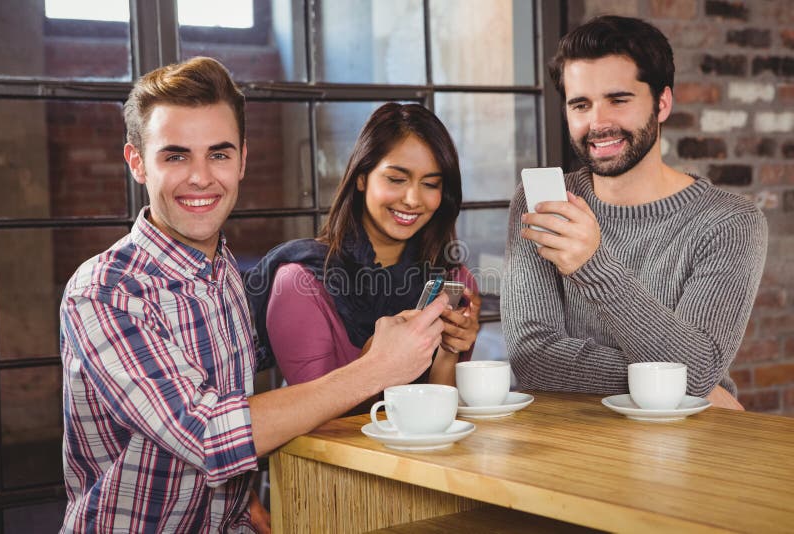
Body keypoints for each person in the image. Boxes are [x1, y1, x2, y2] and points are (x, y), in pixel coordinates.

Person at [60, 57, 449, 533]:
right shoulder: (106, 291)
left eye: (218, 154)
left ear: (242, 159)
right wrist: (376, 368)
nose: (201, 177)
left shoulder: (224, 271)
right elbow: (207, 435)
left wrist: (240, 501)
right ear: (137, 163)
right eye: (176, 155)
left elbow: (232, 430)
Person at [502, 16, 767, 408]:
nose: (598, 122)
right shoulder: (541, 204)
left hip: (683, 448)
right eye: (581, 104)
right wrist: (683, 384)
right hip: (567, 443)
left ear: (662, 103)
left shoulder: (730, 223)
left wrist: (592, 265)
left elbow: (694, 372)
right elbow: (533, 361)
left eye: (618, 100)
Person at [244, 103, 481, 389]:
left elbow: (442, 411)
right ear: (361, 177)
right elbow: (313, 418)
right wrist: (378, 362)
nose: (412, 199)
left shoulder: (454, 281)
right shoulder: (300, 283)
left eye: (430, 184)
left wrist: (448, 351)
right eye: (396, 179)